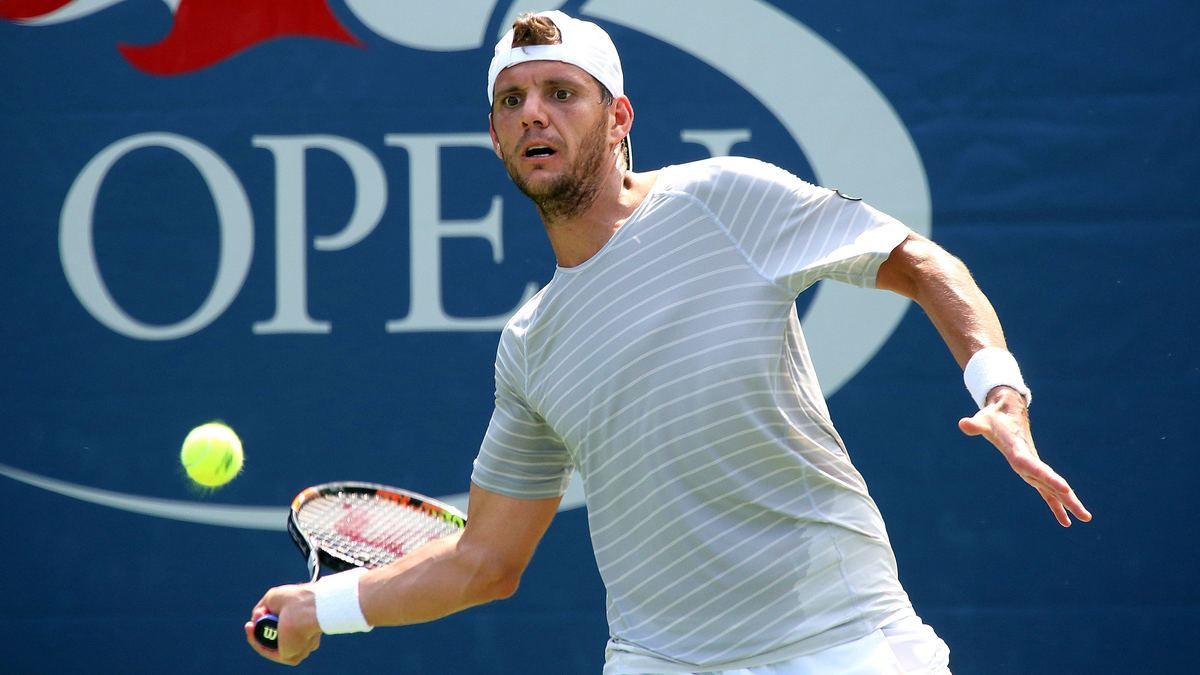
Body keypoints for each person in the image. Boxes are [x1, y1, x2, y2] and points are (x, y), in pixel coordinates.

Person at [246, 10, 1091, 672]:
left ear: (618, 118)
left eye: (561, 93)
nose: (535, 113)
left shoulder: (723, 198)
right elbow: (485, 560)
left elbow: (918, 261)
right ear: (497, 138)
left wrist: (1001, 391)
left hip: (844, 641)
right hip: (663, 661)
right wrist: (323, 606)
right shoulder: (531, 346)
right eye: (513, 101)